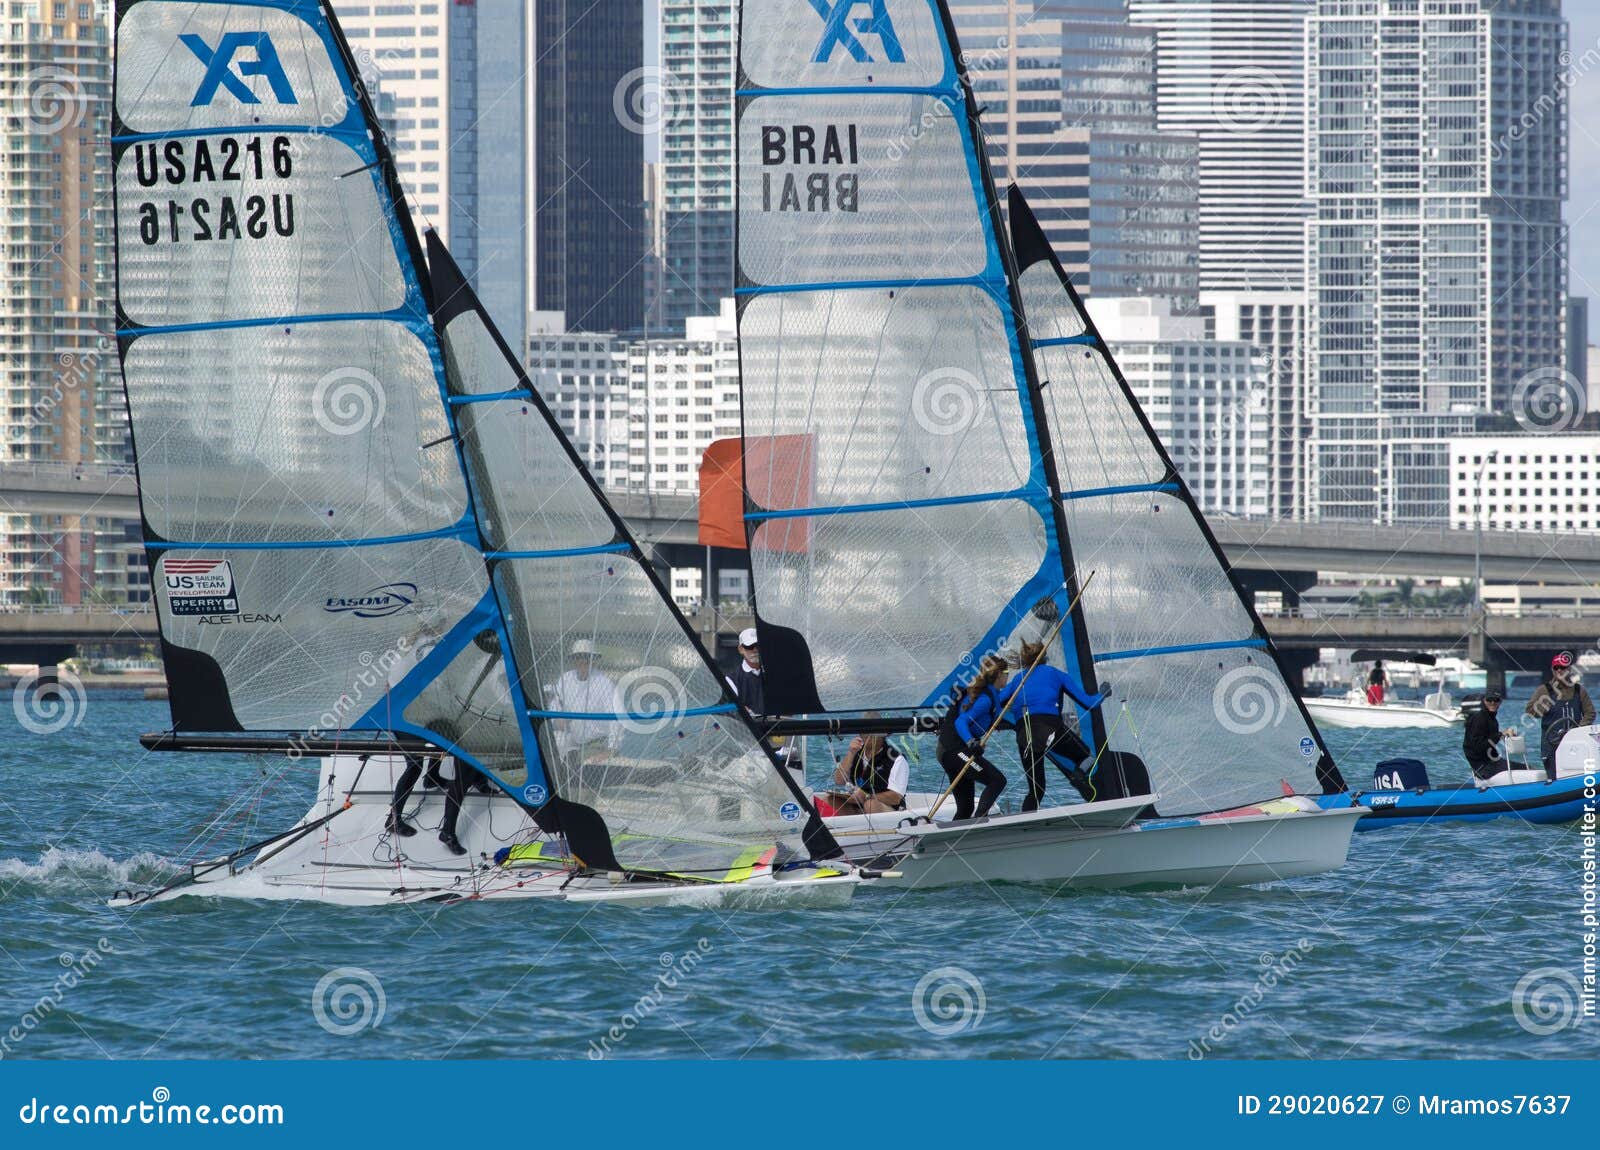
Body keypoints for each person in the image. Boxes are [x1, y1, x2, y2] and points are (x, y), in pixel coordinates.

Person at [1008, 640, 1108, 811]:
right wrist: (1103, 693)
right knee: (1088, 758)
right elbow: (1089, 703)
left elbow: (996, 702)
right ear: (1044, 658)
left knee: (1036, 790)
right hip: (1050, 729)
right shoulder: (1056, 674)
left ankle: (1025, 824)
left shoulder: (1017, 680)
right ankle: (1077, 777)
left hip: (1024, 736)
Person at [935, 655, 1011, 820]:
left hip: (949, 751)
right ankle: (978, 824)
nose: (1008, 676)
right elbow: (961, 722)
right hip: (954, 750)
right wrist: (972, 742)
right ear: (999, 675)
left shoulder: (991, 694)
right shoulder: (984, 698)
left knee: (965, 808)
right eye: (1007, 672)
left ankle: (956, 837)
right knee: (997, 781)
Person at [545, 639, 620, 767]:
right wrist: (556, 719)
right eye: (579, 657)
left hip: (597, 743)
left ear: (593, 659)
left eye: (587, 657)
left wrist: (611, 750)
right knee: (553, 742)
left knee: (579, 764)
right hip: (574, 738)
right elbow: (556, 704)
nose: (583, 660)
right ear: (573, 659)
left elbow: (616, 718)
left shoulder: (605, 683)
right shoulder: (565, 678)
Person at [1526, 652, 1595, 780]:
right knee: (1554, 775)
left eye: (1562, 667)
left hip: (1575, 743)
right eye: (1556, 667)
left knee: (1577, 774)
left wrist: (1578, 729)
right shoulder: (1543, 690)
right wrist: (1543, 706)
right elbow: (1530, 711)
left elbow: (1590, 713)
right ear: (1552, 670)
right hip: (1551, 744)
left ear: (1569, 669)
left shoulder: (1579, 690)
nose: (1559, 670)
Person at [830, 733, 910, 814]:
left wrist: (866, 796)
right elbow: (839, 781)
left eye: (872, 732)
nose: (868, 735)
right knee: (831, 801)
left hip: (889, 810)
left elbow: (896, 798)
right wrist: (851, 753)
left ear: (883, 735)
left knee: (870, 805)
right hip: (858, 806)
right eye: (864, 732)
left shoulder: (897, 759)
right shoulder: (856, 753)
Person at [1461, 690, 1507, 781]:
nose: (1492, 702)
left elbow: (1489, 743)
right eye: (1489, 700)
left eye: (1496, 700)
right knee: (1527, 768)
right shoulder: (1480, 718)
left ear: (1500, 702)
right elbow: (1479, 747)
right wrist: (1500, 735)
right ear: (1484, 701)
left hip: (1491, 762)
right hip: (1483, 767)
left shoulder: (1491, 718)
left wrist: (1503, 735)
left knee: (1527, 767)